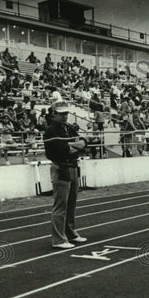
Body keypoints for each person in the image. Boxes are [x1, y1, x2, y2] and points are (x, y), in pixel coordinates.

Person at [43, 101, 88, 249]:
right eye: (61, 113)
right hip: (61, 167)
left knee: (71, 204)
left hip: (72, 166)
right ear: (53, 114)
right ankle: (58, 239)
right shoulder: (51, 131)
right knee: (60, 205)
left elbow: (84, 142)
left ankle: (69, 233)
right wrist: (76, 145)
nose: (64, 116)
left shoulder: (67, 128)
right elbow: (63, 150)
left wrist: (74, 145)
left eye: (66, 113)